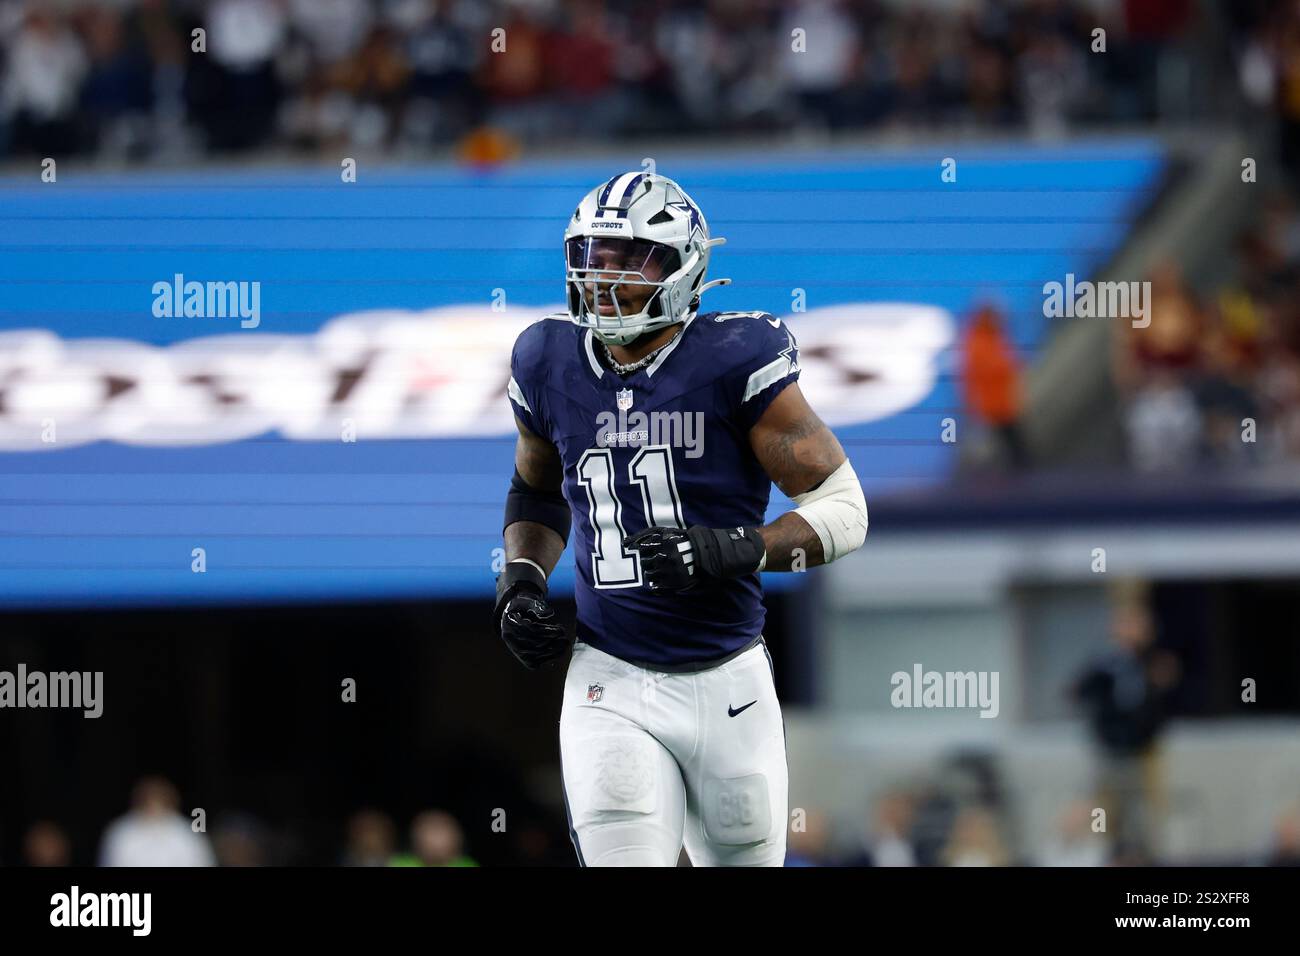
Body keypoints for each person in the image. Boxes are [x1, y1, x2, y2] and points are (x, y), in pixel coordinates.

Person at [494, 171, 869, 867]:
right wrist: (518, 578)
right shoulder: (547, 360)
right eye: (592, 258)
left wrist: (731, 550)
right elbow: (535, 492)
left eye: (628, 258)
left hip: (728, 680)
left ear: (681, 266)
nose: (603, 279)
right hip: (612, 677)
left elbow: (845, 510)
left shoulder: (734, 358)